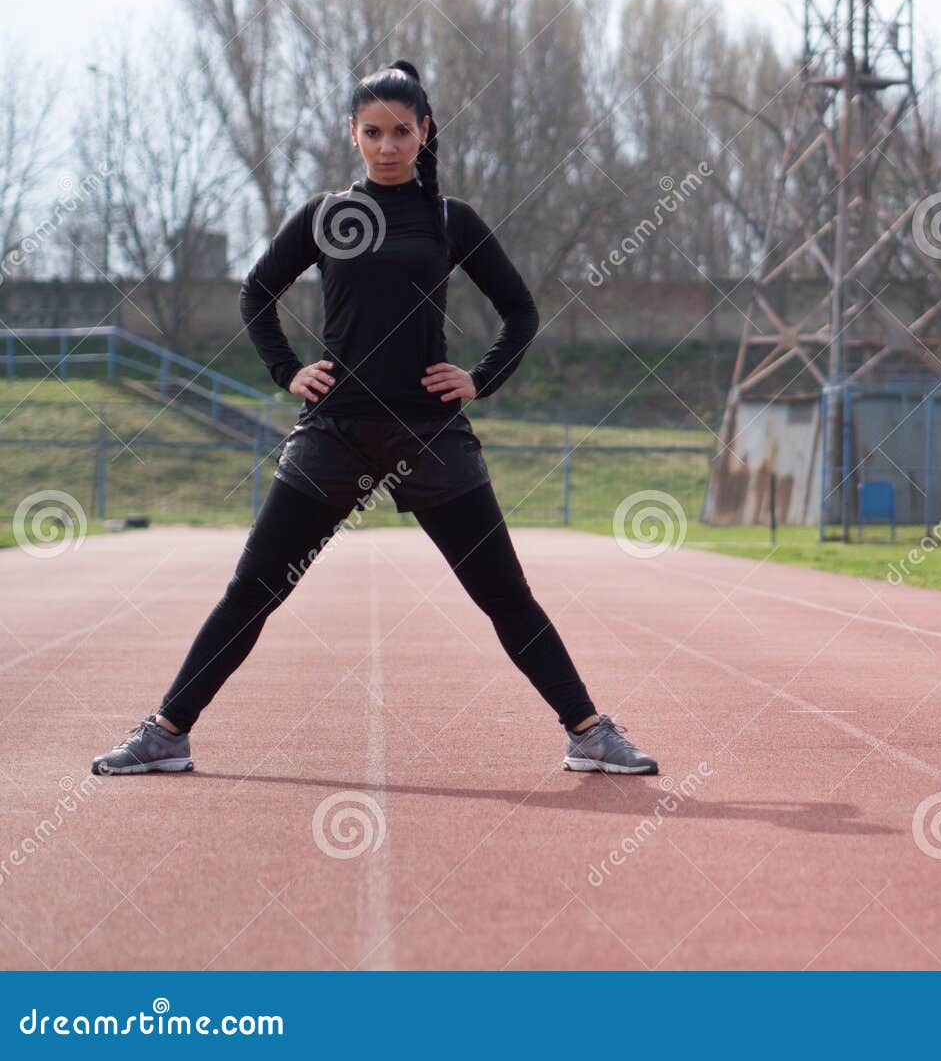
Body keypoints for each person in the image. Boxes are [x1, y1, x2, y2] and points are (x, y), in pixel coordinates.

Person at [91, 60, 657, 777]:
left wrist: (479, 381)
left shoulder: (451, 220)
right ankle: (166, 732)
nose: (387, 146)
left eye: (401, 131)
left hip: (429, 435)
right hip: (333, 433)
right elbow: (258, 290)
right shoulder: (328, 214)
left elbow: (522, 311)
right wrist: (285, 372)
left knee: (504, 594)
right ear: (352, 135)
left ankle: (589, 732)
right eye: (372, 132)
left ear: (425, 132)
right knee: (254, 590)